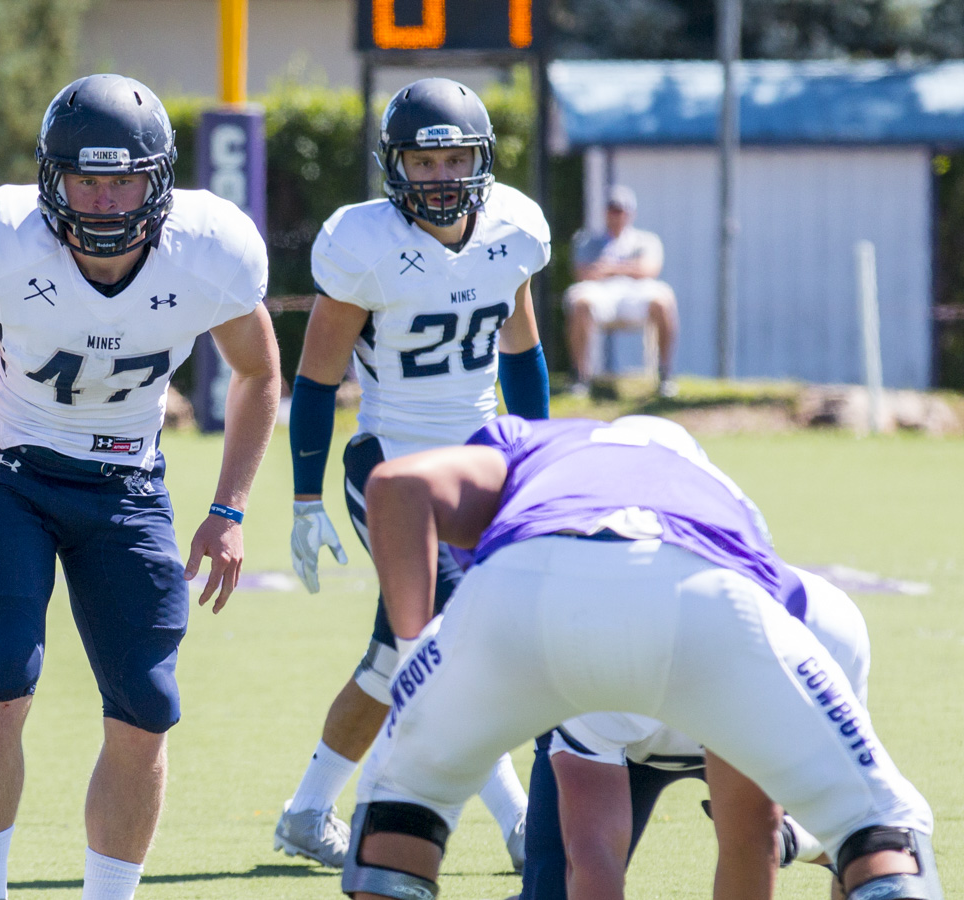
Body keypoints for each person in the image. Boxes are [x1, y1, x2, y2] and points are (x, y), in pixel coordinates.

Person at [0, 73, 280, 900]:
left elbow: (257, 373)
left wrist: (229, 508)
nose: (104, 202)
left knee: (146, 706)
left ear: (161, 179)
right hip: (10, 473)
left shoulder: (210, 252)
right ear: (49, 178)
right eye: (85, 179)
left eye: (124, 179)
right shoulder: (3, 240)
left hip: (128, 482)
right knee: (3, 678)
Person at [341, 414, 940, 900]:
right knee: (880, 826)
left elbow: (397, 485)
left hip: (524, 598)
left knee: (401, 810)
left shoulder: (534, 443)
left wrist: (420, 657)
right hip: (707, 596)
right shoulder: (721, 497)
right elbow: (749, 836)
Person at [276, 77, 550, 871]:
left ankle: (305, 810)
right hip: (391, 461)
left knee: (402, 656)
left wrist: (531, 453)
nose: (440, 178)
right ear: (394, 167)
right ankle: (521, 822)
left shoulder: (512, 231)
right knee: (446, 634)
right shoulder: (362, 245)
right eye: (423, 164)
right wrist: (304, 497)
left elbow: (522, 352)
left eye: (455, 159)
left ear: (481, 161)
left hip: (483, 458)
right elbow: (317, 379)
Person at [520, 564, 871, 900]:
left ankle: (791, 837)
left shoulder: (829, 626)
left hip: (750, 724)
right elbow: (593, 857)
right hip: (622, 735)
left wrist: (795, 838)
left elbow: (854, 821)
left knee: (866, 849)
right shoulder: (601, 661)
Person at [563, 185, 679, 398]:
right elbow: (582, 272)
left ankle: (665, 374)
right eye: (612, 209)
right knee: (580, 302)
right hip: (601, 292)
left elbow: (649, 269)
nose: (616, 215)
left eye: (621, 210)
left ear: (631, 213)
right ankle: (580, 376)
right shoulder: (587, 240)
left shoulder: (646, 240)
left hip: (635, 292)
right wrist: (627, 267)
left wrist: (611, 267)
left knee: (663, 300)